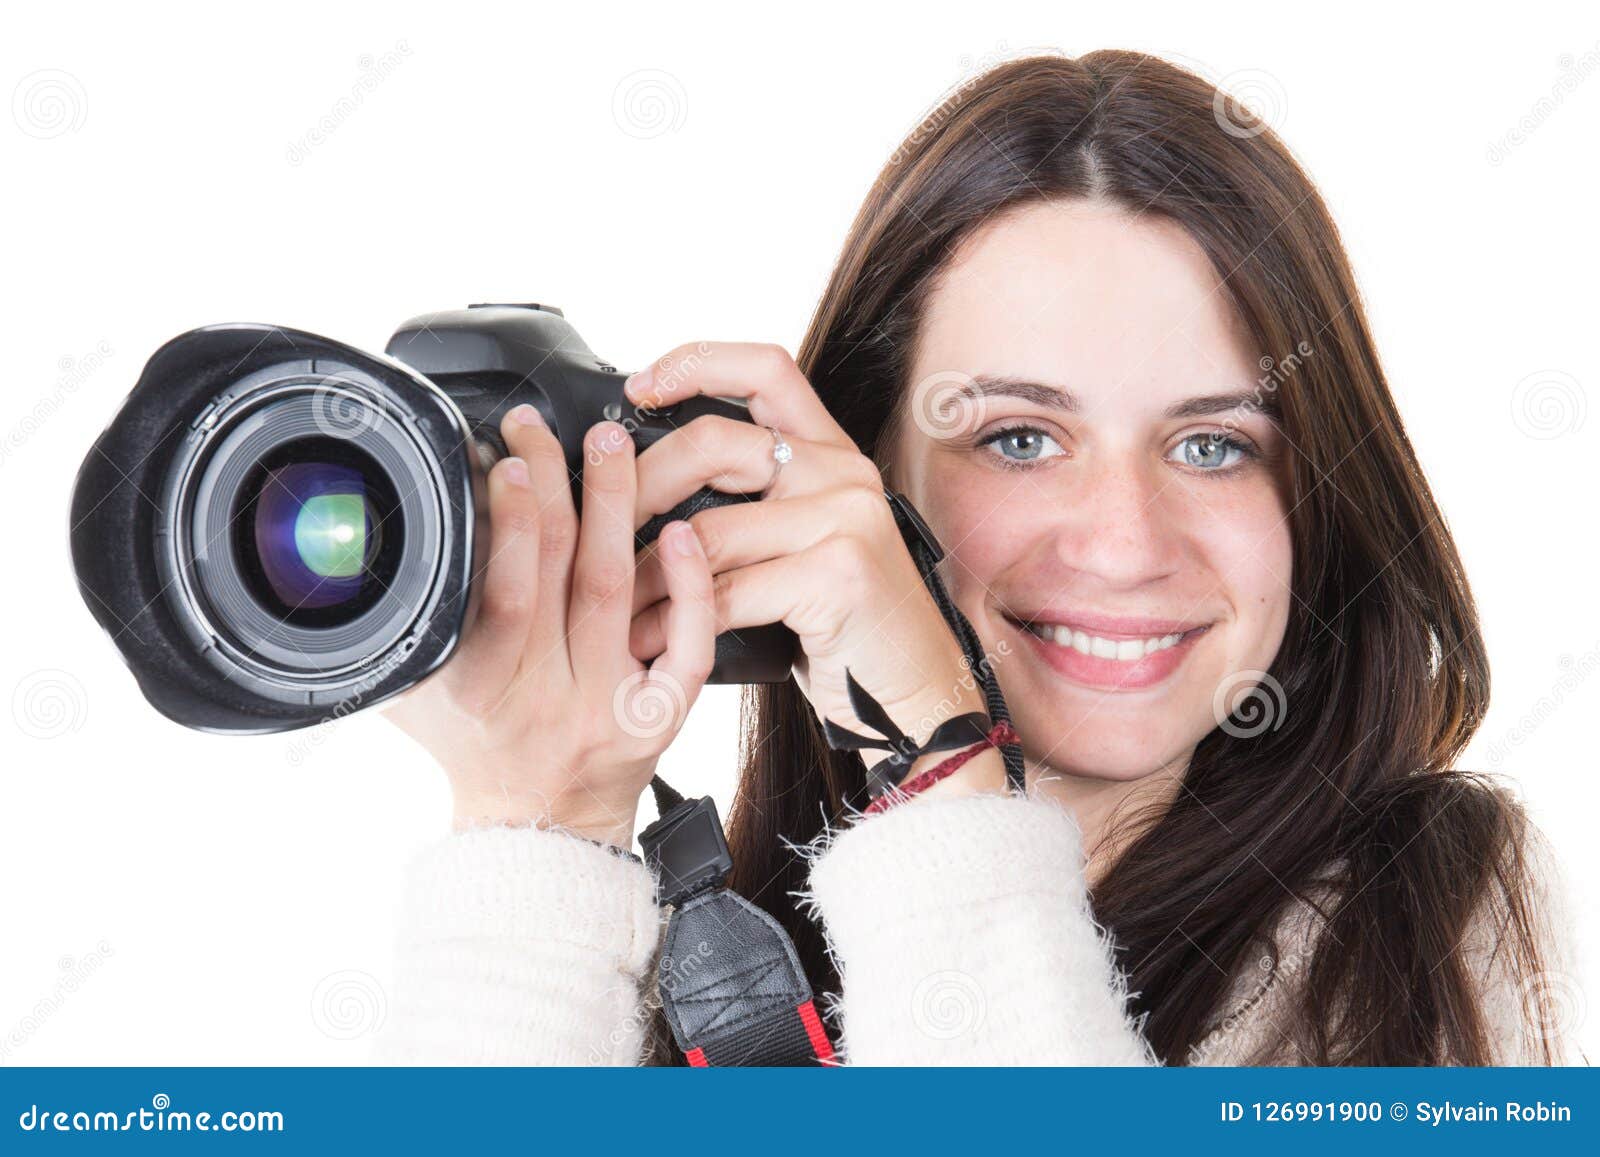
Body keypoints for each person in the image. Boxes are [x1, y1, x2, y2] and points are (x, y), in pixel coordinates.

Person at [374, 50, 1576, 1066]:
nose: (1120, 541)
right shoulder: (705, 964)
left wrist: (941, 762)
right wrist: (536, 834)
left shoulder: (1432, 920)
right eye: (1016, 437)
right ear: (850, 476)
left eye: (1213, 442)